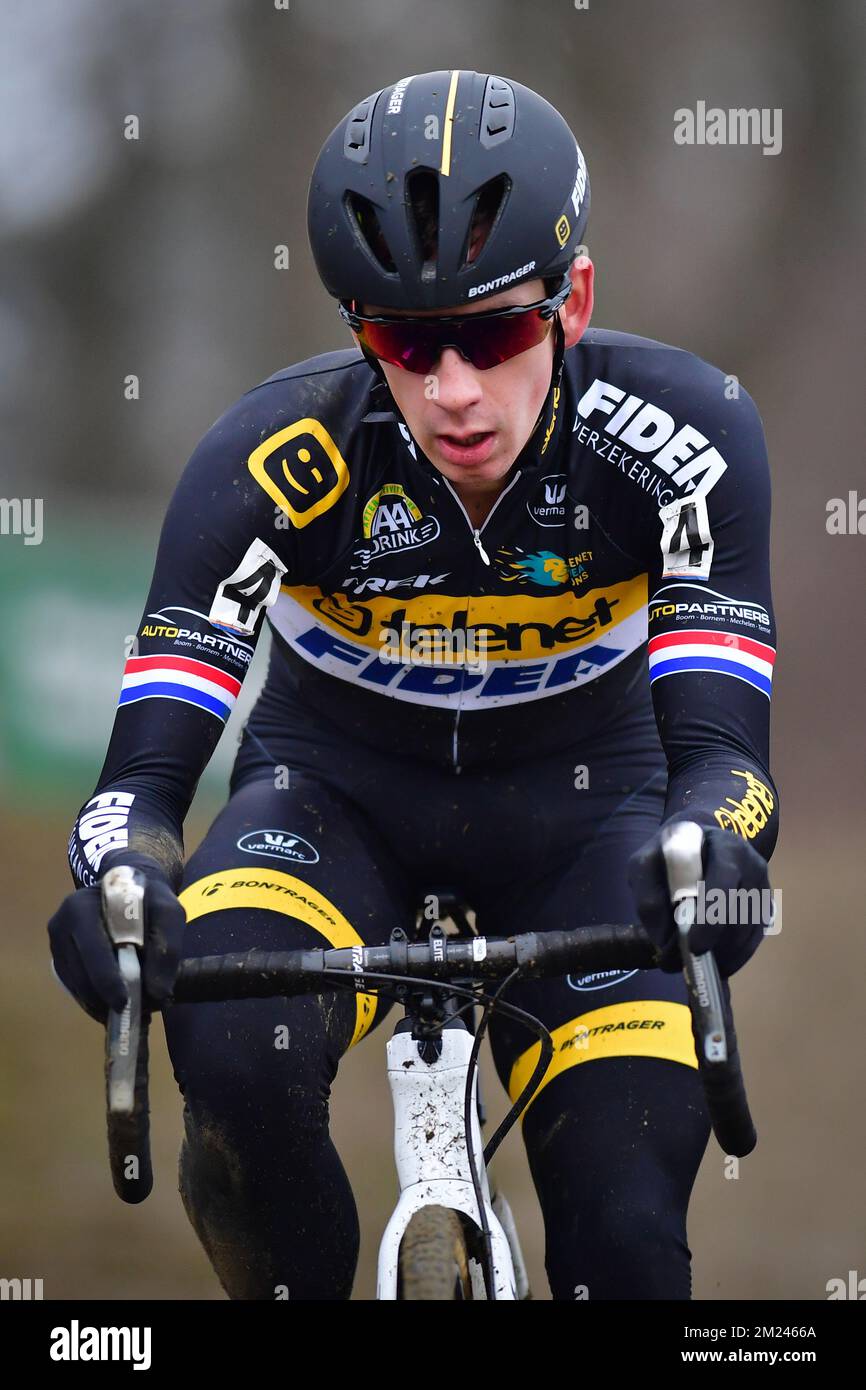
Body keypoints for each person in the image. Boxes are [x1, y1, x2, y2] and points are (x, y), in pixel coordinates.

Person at [48, 70, 778, 1300]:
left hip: (592, 820)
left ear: (573, 300)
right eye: (400, 339)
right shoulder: (269, 456)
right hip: (333, 811)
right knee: (228, 1055)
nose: (450, 389)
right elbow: (142, 784)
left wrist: (710, 843)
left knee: (625, 1235)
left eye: (491, 334)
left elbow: (723, 761)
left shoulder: (684, 435)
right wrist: (118, 877)